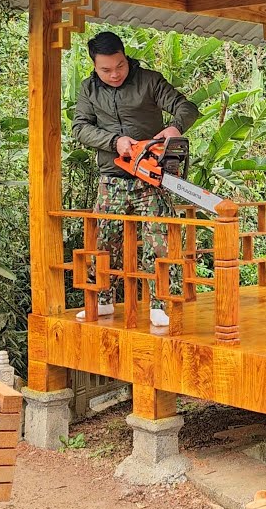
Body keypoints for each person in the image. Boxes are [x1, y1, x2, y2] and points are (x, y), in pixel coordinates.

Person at [72, 31, 199, 326]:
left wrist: (175, 127)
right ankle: (102, 300)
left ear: (125, 57)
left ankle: (161, 302)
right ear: (94, 65)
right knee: (103, 239)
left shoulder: (149, 81)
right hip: (112, 176)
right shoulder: (89, 89)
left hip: (152, 176)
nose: (114, 74)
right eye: (106, 69)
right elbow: (80, 127)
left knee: (159, 240)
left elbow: (186, 106)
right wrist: (113, 141)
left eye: (119, 65)